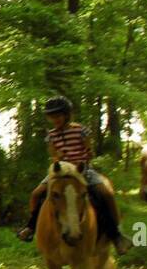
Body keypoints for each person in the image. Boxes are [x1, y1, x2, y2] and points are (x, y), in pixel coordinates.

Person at [16, 95, 130, 254]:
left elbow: (89, 150)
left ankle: (117, 235)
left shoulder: (81, 130)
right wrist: (58, 157)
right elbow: (53, 155)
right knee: (36, 194)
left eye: (58, 115)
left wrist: (87, 155)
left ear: (67, 114)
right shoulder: (51, 135)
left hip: (81, 171)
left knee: (106, 193)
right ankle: (31, 227)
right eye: (52, 116)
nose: (55, 119)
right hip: (61, 171)